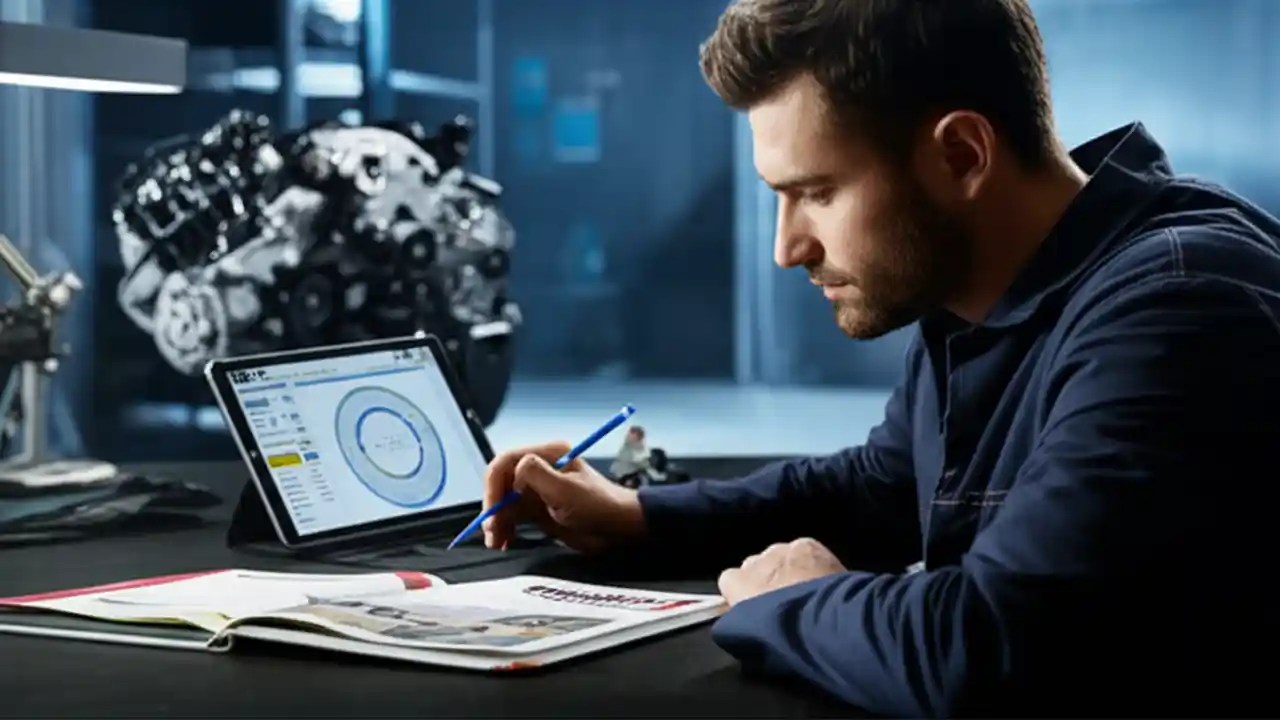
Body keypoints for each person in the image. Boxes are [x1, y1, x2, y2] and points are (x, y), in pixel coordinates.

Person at [482, 0, 1280, 715]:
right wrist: (639, 515)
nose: (786, 248)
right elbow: (880, 487)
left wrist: (795, 600)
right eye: (780, 196)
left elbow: (996, 652)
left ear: (964, 155)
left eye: (818, 192)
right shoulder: (978, 291)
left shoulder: (1182, 306)